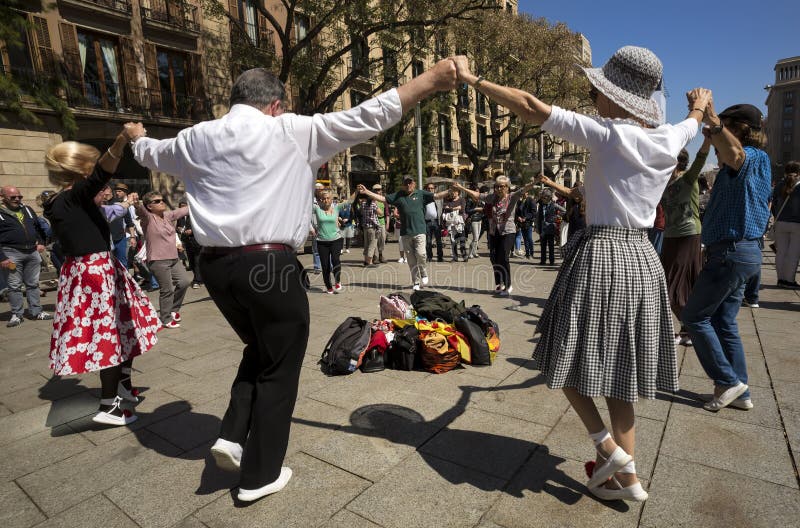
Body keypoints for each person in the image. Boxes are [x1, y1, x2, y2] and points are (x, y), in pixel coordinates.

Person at [130, 61, 457, 502]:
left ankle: (232, 435)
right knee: (280, 365)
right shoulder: (289, 129)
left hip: (215, 267)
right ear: (275, 105)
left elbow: (149, 152)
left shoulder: (195, 137)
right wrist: (430, 81)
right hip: (268, 265)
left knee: (261, 349)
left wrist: (134, 137)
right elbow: (370, 114)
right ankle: (259, 476)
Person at [450, 47, 707, 502]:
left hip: (601, 254)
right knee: (621, 374)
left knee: (561, 358)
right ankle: (625, 479)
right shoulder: (671, 139)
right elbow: (692, 120)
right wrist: (699, 107)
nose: (592, 97)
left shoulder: (608, 134)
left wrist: (472, 79)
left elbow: (529, 106)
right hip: (643, 261)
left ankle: (609, 449)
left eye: (598, 91)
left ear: (615, 97)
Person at [43, 125, 160, 426]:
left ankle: (120, 386)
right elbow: (101, 175)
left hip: (99, 270)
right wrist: (122, 139)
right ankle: (110, 405)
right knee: (109, 337)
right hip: (94, 274)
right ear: (78, 174)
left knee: (126, 329)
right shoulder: (69, 198)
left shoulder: (66, 201)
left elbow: (98, 181)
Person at [682, 103, 772, 414]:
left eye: (727, 126)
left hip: (731, 251)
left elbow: (735, 155)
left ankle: (727, 381)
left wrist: (712, 119)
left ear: (740, 129)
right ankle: (741, 390)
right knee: (723, 320)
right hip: (741, 252)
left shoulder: (752, 158)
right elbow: (731, 156)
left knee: (694, 317)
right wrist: (713, 136)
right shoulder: (746, 163)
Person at [660, 137, 711, 346]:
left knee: (675, 283)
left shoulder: (688, 179)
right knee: (666, 282)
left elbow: (700, 159)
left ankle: (690, 327)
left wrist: (708, 140)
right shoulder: (665, 183)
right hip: (670, 236)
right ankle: (688, 328)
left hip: (688, 235)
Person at [358, 178, 450, 290]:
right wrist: (367, 191)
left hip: (420, 231)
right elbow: (382, 198)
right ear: (403, 185)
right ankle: (416, 282)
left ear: (414, 183)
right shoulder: (399, 195)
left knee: (421, 254)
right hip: (406, 233)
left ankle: (423, 271)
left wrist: (451, 190)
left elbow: (437, 196)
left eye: (410, 183)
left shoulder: (421, 194)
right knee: (411, 260)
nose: (408, 185)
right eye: (406, 183)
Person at [454, 174, 536, 296]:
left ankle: (508, 285)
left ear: (507, 187)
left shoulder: (512, 197)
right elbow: (477, 195)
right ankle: (499, 283)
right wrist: (462, 188)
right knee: (493, 257)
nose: (498, 189)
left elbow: (523, 189)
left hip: (508, 231)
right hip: (493, 232)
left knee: (503, 256)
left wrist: (536, 181)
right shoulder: (492, 198)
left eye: (501, 186)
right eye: (496, 186)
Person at [132, 192, 191, 329]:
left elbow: (183, 210)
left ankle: (173, 309)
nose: (162, 202)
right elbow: (141, 211)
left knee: (184, 282)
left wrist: (198, 200)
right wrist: (136, 204)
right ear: (150, 206)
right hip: (158, 260)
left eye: (162, 200)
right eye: (157, 201)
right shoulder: (148, 218)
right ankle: (165, 318)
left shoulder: (167, 215)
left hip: (173, 258)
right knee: (167, 289)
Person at [0, 185, 52, 327]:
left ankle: (36, 311)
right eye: (13, 197)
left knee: (33, 284)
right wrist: (2, 257)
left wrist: (41, 242)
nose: (17, 199)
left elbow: (38, 227)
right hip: (11, 253)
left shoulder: (27, 209)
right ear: (3, 197)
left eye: (19, 196)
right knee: (14, 286)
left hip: (32, 251)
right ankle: (17, 314)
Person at [311, 189, 355, 293]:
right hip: (322, 241)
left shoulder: (336, 208)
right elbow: (304, 205)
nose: (326, 200)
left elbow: (349, 201)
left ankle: (337, 281)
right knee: (325, 265)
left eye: (328, 198)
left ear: (331, 199)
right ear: (321, 200)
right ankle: (328, 286)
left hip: (336, 240)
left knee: (336, 260)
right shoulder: (317, 208)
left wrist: (357, 191)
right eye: (324, 198)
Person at [771, 161, 800, 288]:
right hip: (797, 224)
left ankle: (781, 279)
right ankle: (789, 280)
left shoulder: (779, 186)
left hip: (780, 222)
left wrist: (776, 216)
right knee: (793, 253)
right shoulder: (799, 186)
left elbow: (774, 204)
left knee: (781, 252)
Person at [536, 174, 586, 242]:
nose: (576, 195)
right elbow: (566, 191)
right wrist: (549, 182)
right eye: (575, 192)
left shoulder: (587, 201)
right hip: (572, 233)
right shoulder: (570, 202)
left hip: (584, 234)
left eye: (579, 193)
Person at [176, 200, 204, 289]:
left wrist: (192, 231)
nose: (183, 208)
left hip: (196, 241)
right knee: (191, 262)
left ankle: (197, 280)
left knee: (197, 261)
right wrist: (178, 229)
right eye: (181, 207)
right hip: (186, 242)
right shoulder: (179, 217)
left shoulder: (194, 216)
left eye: (185, 206)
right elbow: (177, 227)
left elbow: (201, 226)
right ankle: (200, 278)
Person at [535, 189, 565, 265]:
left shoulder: (553, 204)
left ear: (548, 197)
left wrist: (556, 217)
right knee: (543, 245)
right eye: (542, 197)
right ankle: (543, 260)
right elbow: (538, 217)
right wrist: (537, 227)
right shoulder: (540, 205)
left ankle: (551, 261)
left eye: (544, 198)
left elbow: (564, 211)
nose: (542, 199)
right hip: (542, 227)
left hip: (551, 227)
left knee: (551, 245)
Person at [442, 188, 467, 261]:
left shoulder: (462, 200)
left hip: (459, 223)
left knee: (462, 240)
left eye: (455, 191)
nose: (453, 193)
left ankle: (464, 256)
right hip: (451, 223)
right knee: (453, 241)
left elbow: (462, 209)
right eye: (452, 191)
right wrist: (456, 208)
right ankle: (455, 257)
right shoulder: (448, 200)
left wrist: (451, 208)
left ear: (458, 192)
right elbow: (445, 209)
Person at [423, 182, 444, 262]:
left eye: (432, 188)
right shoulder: (424, 198)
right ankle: (429, 257)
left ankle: (440, 256)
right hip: (427, 222)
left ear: (434, 189)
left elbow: (441, 210)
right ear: (426, 189)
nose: (430, 189)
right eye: (429, 188)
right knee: (428, 241)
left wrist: (442, 222)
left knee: (439, 241)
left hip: (436, 222)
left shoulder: (439, 198)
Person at [465, 183, 484, 258]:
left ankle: (474, 252)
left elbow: (483, 209)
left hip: (479, 219)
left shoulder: (479, 199)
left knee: (477, 237)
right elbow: (467, 210)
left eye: (478, 191)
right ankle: (470, 253)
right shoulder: (469, 200)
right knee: (475, 237)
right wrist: (476, 209)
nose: (477, 193)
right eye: (476, 191)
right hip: (473, 219)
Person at [515, 189, 536, 259]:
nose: (523, 194)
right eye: (522, 193)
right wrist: (518, 217)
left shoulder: (531, 200)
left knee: (529, 238)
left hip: (528, 222)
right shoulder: (520, 201)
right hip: (521, 223)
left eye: (525, 193)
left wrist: (526, 218)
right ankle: (527, 253)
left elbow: (533, 212)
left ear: (527, 193)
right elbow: (517, 212)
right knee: (525, 239)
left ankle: (531, 252)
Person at [373, 183, 388, 263]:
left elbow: (387, 212)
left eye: (379, 190)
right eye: (376, 190)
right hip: (374, 222)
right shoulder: (372, 199)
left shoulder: (383, 200)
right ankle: (374, 256)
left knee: (382, 239)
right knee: (375, 239)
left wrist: (387, 223)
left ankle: (381, 255)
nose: (378, 191)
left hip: (382, 222)